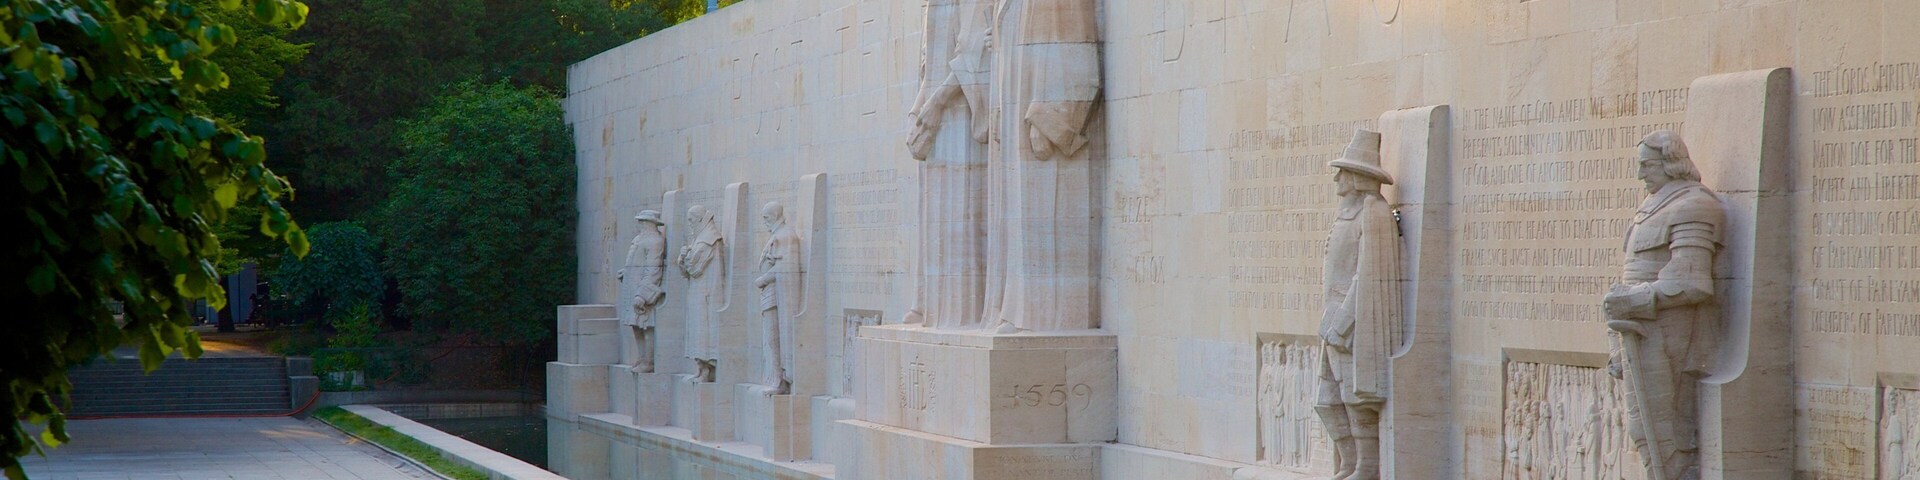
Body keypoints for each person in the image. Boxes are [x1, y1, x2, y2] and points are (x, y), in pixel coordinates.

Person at [1603, 129, 1724, 480]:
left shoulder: (1694, 206)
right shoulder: (1650, 207)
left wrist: (1635, 300)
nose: (1640, 174)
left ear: (1671, 163)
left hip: (1670, 331)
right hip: (1637, 328)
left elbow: (1692, 282)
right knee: (1642, 429)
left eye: (1648, 165)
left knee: (1666, 435)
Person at [1315, 129, 1402, 480]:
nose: (1337, 178)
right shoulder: (1346, 213)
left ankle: (1366, 465)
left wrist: (1344, 321)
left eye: (1343, 171)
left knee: (1356, 395)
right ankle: (1348, 462)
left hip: (1351, 321)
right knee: (1327, 399)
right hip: (1331, 317)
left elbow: (1367, 274)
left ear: (1356, 176)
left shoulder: (1373, 210)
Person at [754, 202, 805, 394]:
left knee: (774, 337)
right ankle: (775, 377)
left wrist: (763, 279)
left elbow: (785, 268)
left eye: (766, 217)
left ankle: (779, 380)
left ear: (775, 216)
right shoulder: (778, 235)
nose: (764, 221)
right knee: (770, 338)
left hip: (776, 293)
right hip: (770, 293)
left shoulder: (785, 236)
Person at [678, 205, 727, 383]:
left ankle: (706, 369)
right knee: (697, 329)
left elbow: (694, 268)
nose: (690, 224)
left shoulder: (709, 239)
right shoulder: (700, 238)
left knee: (703, 331)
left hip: (706, 293)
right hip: (698, 291)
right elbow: (686, 272)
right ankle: (700, 367)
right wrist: (682, 258)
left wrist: (684, 257)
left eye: (691, 220)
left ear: (699, 219)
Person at [618, 210, 667, 373]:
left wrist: (642, 294)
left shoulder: (655, 241)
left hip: (643, 290)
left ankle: (649, 361)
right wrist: (626, 272)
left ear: (649, 222)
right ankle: (641, 358)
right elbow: (636, 263)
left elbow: (653, 269)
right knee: (636, 325)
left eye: (642, 221)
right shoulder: (639, 239)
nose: (640, 224)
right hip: (633, 286)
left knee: (646, 326)